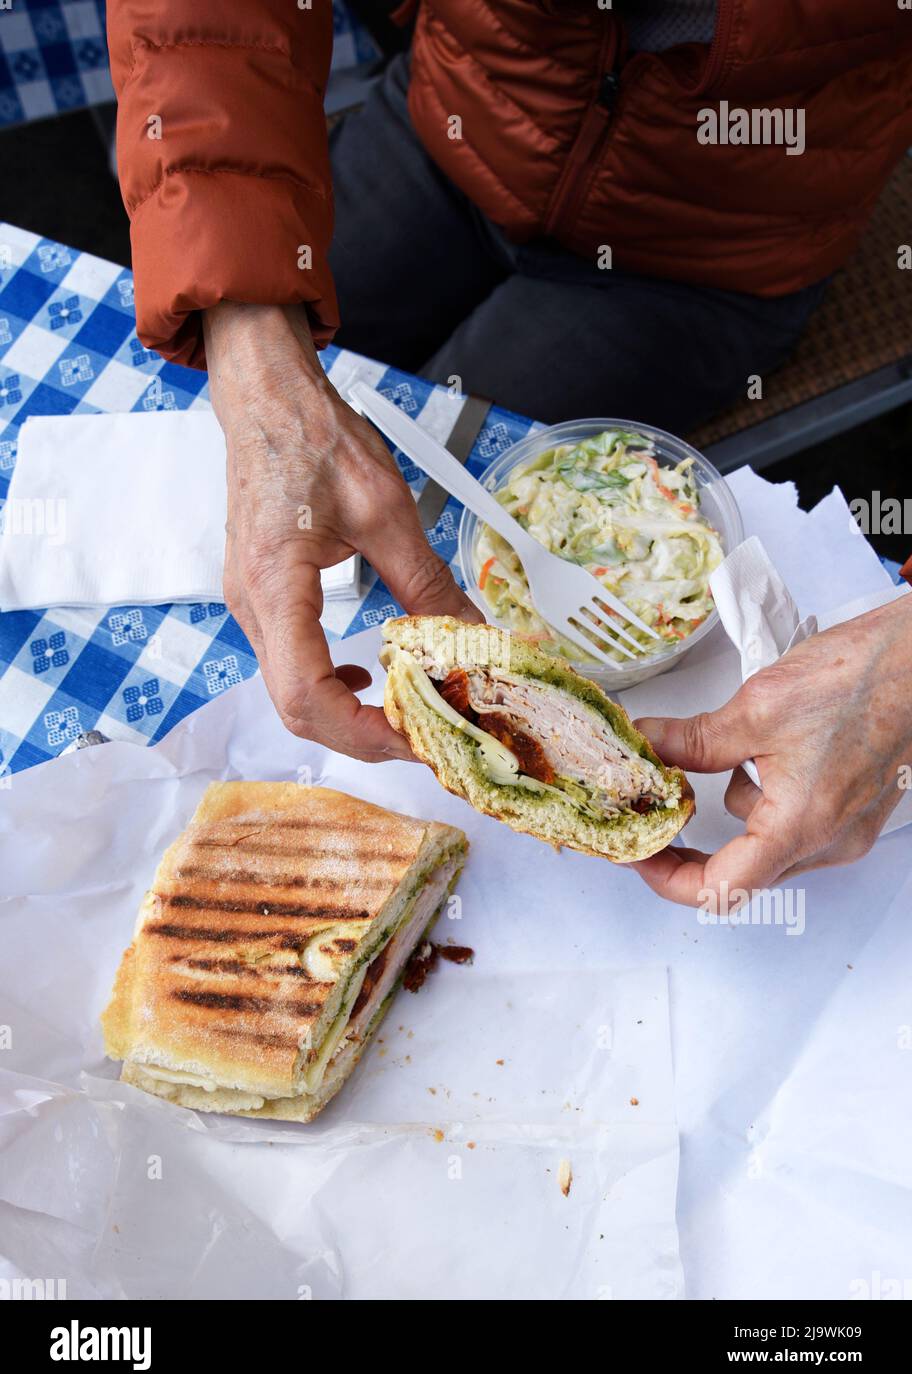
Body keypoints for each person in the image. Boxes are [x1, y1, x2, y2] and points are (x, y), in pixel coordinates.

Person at [107, 0, 912, 897]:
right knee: (226, 404)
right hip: (461, 117)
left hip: (722, 240)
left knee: (430, 449)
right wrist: (258, 364)